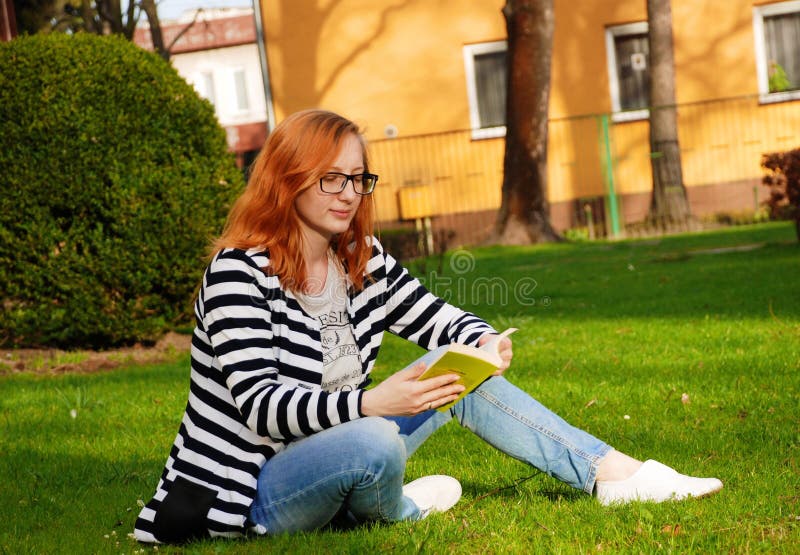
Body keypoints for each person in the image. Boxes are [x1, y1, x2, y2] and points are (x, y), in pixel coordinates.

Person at [133, 109, 722, 544]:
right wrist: (372, 403)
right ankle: (394, 508)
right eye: (329, 178)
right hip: (255, 486)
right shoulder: (238, 271)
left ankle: (610, 474)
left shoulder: (358, 255)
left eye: (357, 178)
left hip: (348, 435)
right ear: (287, 178)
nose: (347, 194)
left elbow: (432, 315)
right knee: (373, 439)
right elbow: (261, 406)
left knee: (452, 371)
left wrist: (479, 341)